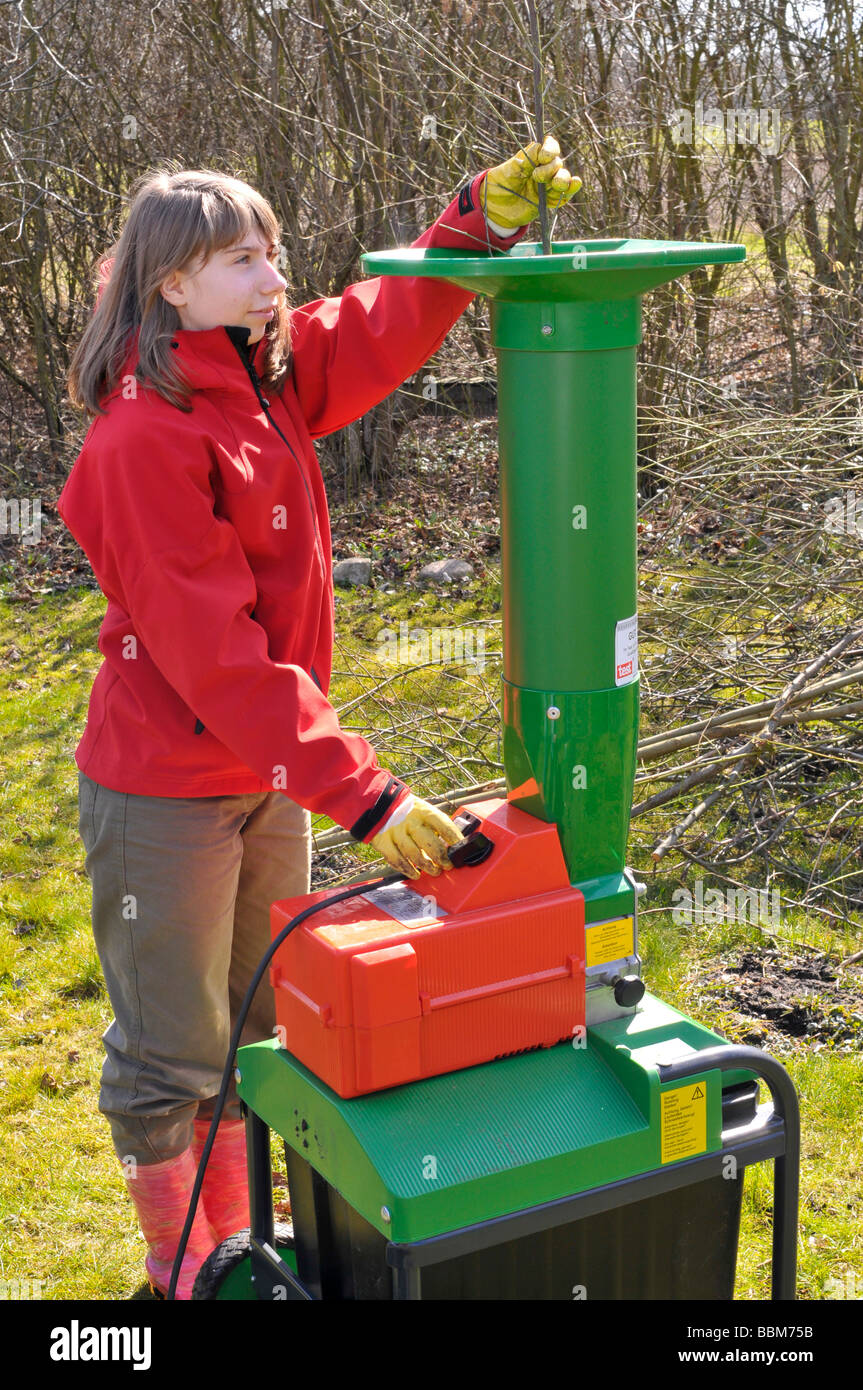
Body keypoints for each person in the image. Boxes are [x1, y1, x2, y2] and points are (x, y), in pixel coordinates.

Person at [58, 137, 579, 1298]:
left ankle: (242, 1245)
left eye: (274, 250)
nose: (275, 273)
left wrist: (470, 227)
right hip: (164, 788)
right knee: (169, 1053)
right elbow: (215, 657)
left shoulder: (264, 374)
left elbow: (377, 322)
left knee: (257, 1029)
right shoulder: (144, 437)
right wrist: (365, 790)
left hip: (268, 775)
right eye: (243, 258)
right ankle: (182, 1265)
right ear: (170, 286)